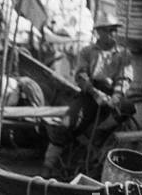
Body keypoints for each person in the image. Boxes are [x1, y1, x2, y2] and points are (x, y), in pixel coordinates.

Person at [41, 17, 133, 177]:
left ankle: (100, 132)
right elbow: (81, 75)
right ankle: (48, 166)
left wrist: (117, 95)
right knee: (66, 123)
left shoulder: (123, 54)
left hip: (112, 94)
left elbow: (124, 77)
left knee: (127, 107)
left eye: (114, 30)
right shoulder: (87, 51)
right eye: (109, 30)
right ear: (99, 32)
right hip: (90, 94)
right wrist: (95, 93)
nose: (113, 34)